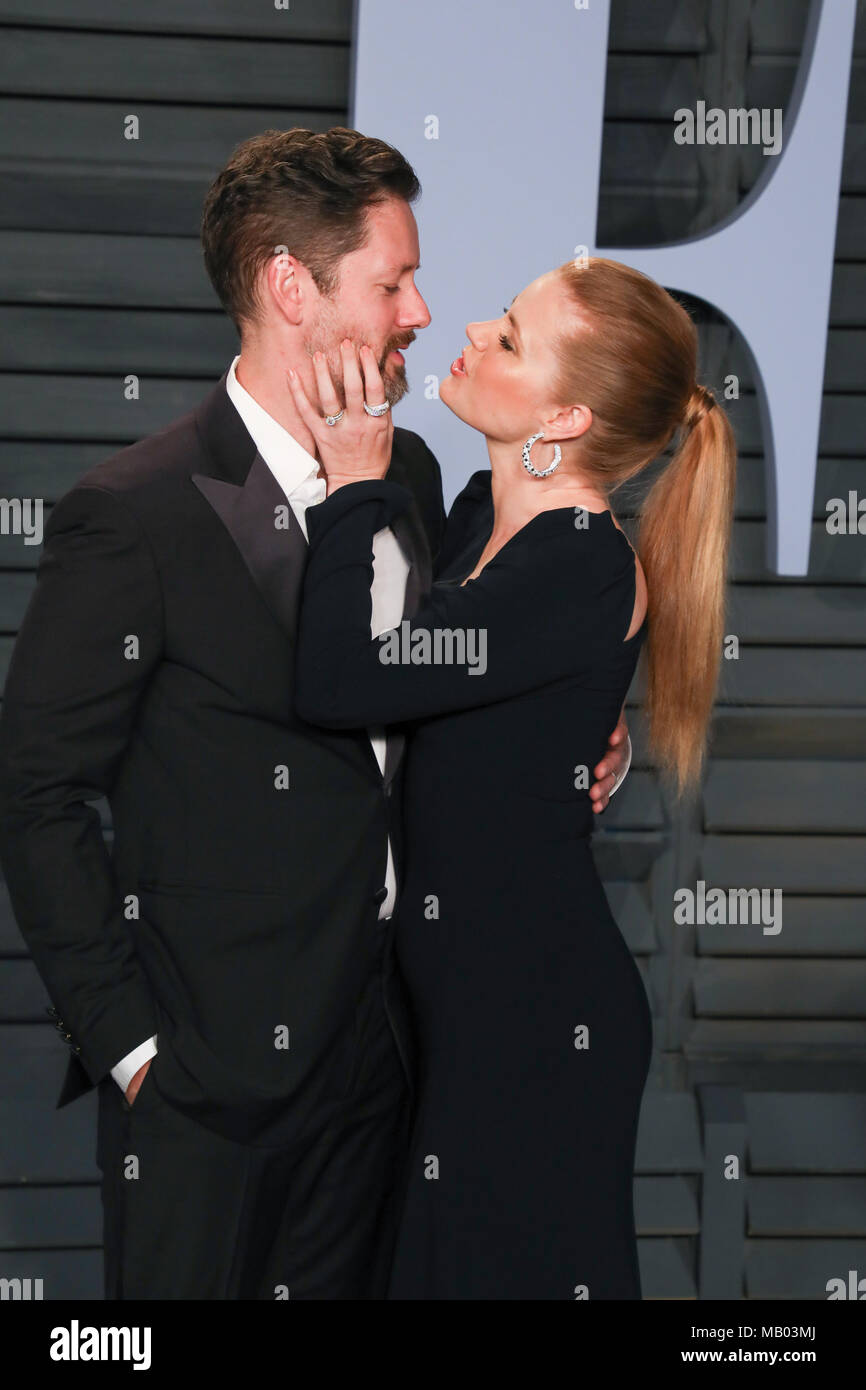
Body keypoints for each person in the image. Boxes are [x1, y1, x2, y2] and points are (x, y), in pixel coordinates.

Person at [0, 129, 629, 1300]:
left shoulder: (415, 482)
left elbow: (470, 668)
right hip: (203, 1090)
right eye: (391, 282)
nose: (420, 309)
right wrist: (131, 1047)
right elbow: (33, 792)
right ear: (293, 286)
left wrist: (593, 732)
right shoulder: (132, 513)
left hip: (389, 1066)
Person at [290, 256, 737, 1299]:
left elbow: (344, 680)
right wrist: (585, 735)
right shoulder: (472, 528)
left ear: (565, 418)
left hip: (533, 1026)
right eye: (499, 315)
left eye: (509, 339)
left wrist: (352, 484)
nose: (475, 333)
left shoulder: (575, 558)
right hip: (459, 1014)